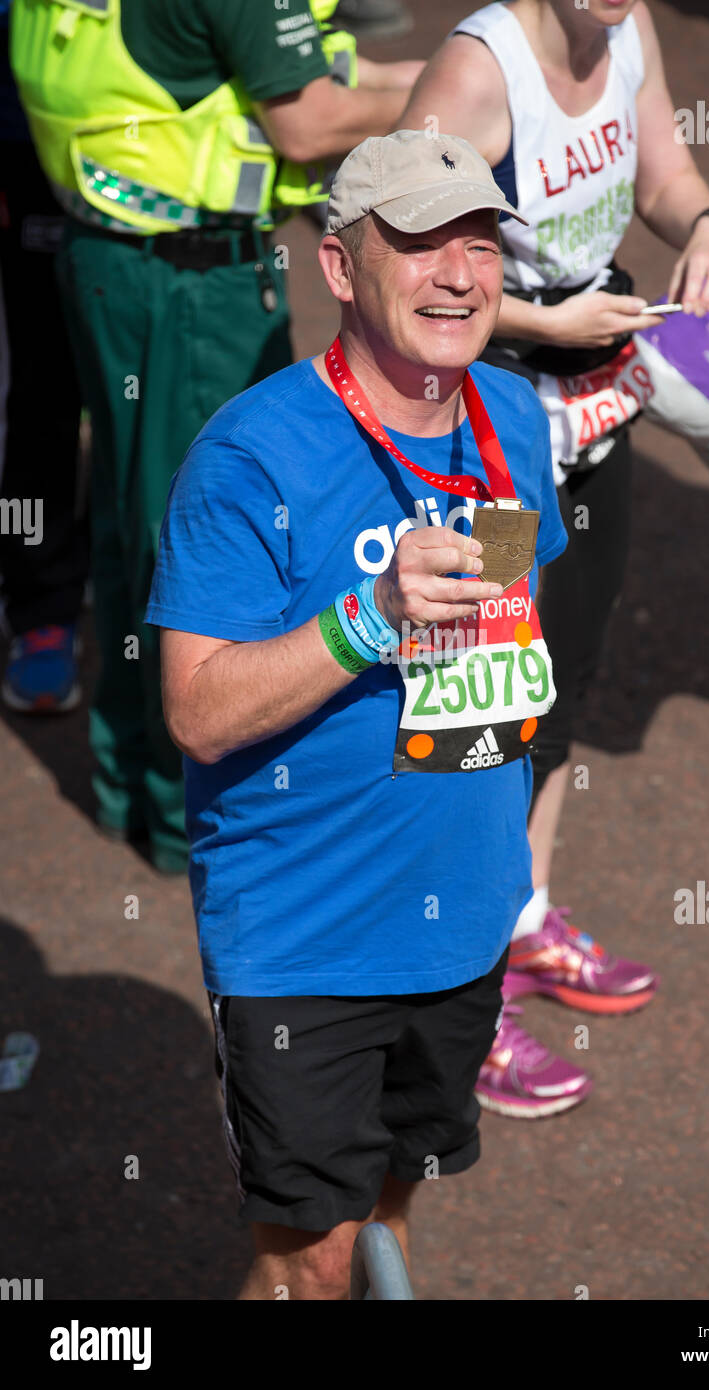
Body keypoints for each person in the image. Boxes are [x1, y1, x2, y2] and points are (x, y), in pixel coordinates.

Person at [145, 128, 568, 1298]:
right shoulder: (250, 458)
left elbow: (526, 619)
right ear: (340, 268)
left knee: (389, 1203)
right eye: (418, 241)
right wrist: (368, 615)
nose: (457, 272)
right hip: (306, 939)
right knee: (310, 1256)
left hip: (465, 918)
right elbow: (195, 711)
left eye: (477, 241)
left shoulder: (511, 419)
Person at [401, 0, 709, 1116]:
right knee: (473, 709)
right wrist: (536, 320)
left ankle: (517, 925)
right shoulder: (478, 69)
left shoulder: (625, 27)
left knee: (557, 680)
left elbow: (660, 174)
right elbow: (390, 263)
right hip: (489, 427)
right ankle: (451, 1003)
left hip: (595, 410)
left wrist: (706, 222)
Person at [10, 0, 419, 871]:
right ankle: (192, 816)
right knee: (203, 546)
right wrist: (460, 86)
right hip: (194, 285)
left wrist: (407, 75)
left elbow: (312, 69)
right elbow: (308, 121)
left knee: (134, 520)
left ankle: (133, 784)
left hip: (109, 251)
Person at [0, 0, 86, 713]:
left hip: (161, 173)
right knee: (39, 405)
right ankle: (39, 609)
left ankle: (156, 620)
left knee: (155, 423)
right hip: (28, 157)